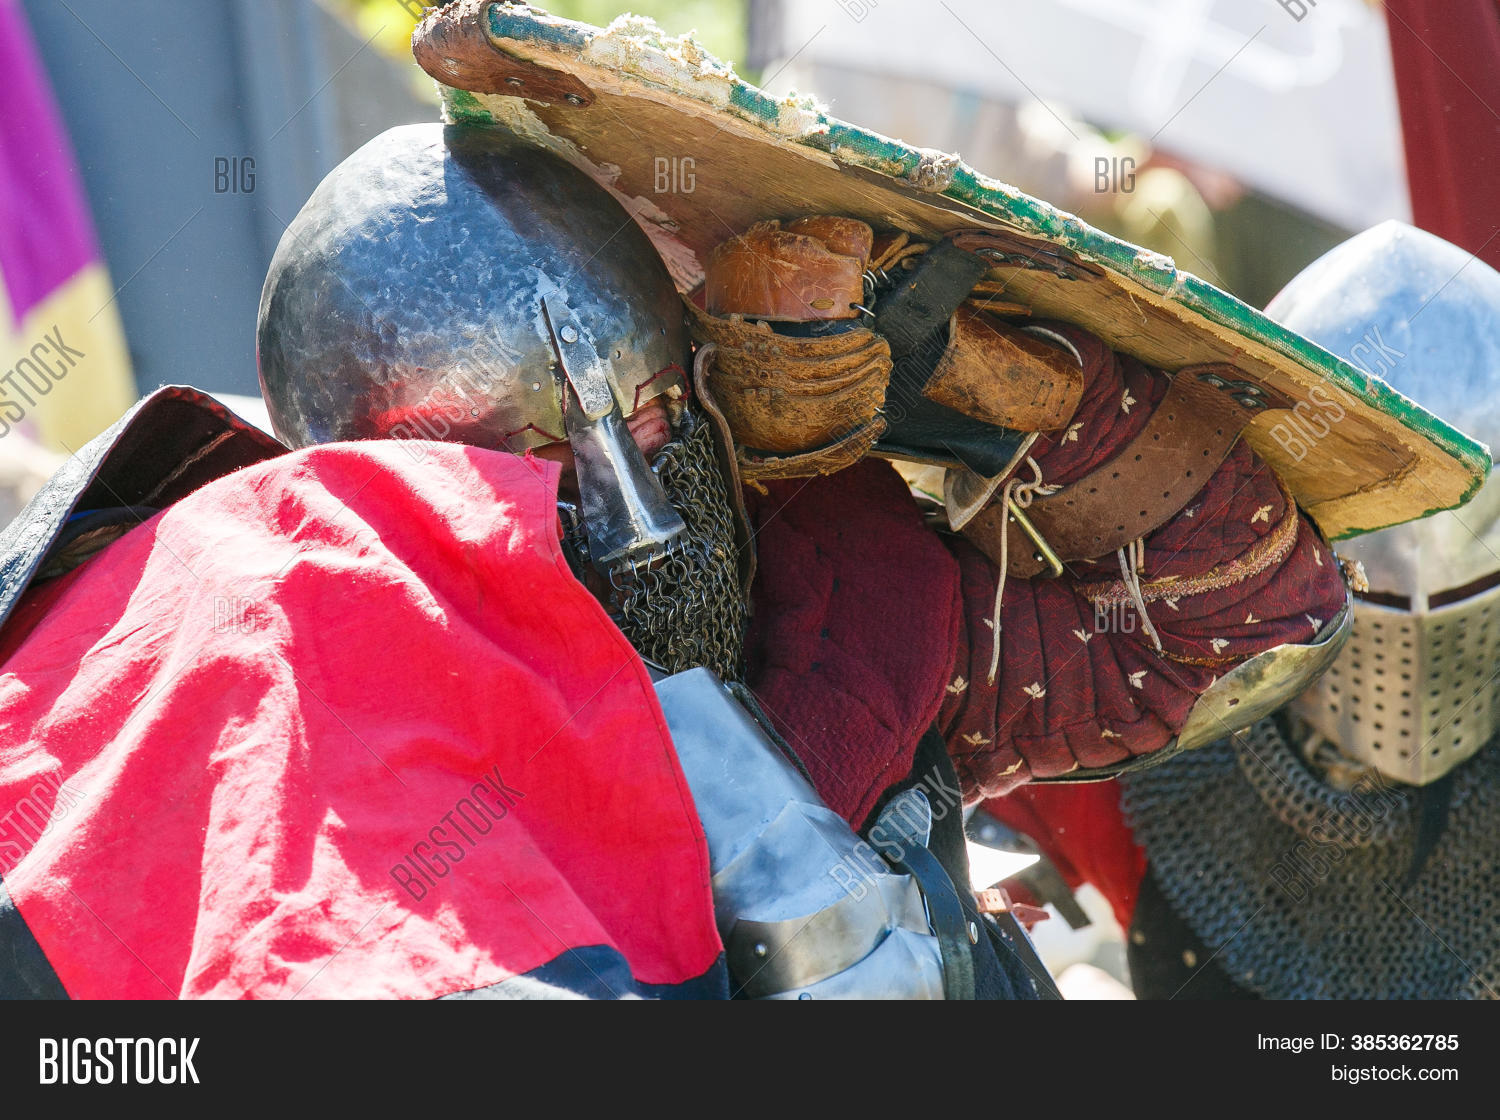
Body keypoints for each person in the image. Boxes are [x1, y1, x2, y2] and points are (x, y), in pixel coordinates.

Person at [988, 222, 1500, 1000]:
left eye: (1458, 591)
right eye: (1370, 591)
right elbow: (978, 876)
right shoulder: (1147, 716)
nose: (1417, 612)